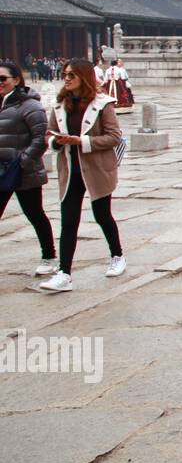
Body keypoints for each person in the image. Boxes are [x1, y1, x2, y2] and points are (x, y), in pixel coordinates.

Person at [39, 59, 124, 291]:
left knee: (102, 214)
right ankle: (64, 273)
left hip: (96, 168)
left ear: (83, 78)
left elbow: (113, 136)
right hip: (70, 169)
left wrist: (82, 141)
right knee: (68, 221)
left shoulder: (102, 104)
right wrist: (56, 141)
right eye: (65, 75)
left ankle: (117, 254)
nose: (66, 79)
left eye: (71, 75)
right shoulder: (59, 105)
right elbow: (48, 134)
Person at [0, 60, 56, 275]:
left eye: (3, 78)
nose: (0, 83)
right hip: (1, 169)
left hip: (24, 171)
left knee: (34, 213)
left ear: (16, 80)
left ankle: (49, 256)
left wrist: (23, 162)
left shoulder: (30, 105)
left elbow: (41, 138)